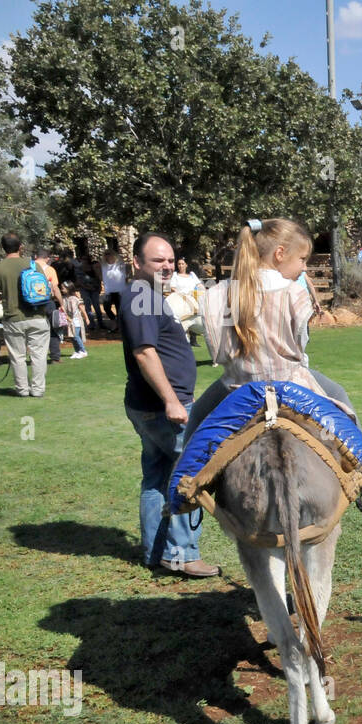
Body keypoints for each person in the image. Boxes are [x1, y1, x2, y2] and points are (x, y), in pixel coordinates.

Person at [185, 218, 357, 444]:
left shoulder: (219, 294)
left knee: (197, 416)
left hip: (238, 386)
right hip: (290, 384)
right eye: (302, 259)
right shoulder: (294, 293)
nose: (304, 267)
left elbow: (217, 350)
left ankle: (179, 478)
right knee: (338, 395)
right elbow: (300, 347)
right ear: (280, 253)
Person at [120, 231, 219, 577]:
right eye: (156, 260)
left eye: (168, 260)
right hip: (165, 409)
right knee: (189, 475)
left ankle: (157, 553)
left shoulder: (145, 294)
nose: (165, 266)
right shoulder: (142, 296)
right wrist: (172, 400)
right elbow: (145, 353)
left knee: (157, 476)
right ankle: (183, 555)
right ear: (136, 263)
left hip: (145, 405)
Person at [0, 233, 50, 397]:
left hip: (13, 318)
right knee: (39, 355)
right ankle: (38, 389)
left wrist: (5, 295)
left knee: (17, 356)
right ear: (21, 246)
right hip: (37, 316)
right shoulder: (33, 264)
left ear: (3, 248)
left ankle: (22, 389)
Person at [34, 248, 65, 364]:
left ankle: (36, 358)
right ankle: (55, 357)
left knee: (35, 331)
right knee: (53, 329)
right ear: (47, 258)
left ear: (36, 256)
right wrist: (61, 304)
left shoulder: (28, 268)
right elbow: (55, 288)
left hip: (32, 303)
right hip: (47, 302)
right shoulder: (50, 269)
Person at [73, 253, 103, 332]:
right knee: (88, 306)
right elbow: (79, 280)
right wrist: (87, 287)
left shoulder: (93, 267)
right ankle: (91, 324)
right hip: (84, 289)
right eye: (83, 259)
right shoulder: (78, 268)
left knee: (97, 306)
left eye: (86, 259)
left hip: (94, 289)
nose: (84, 261)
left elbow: (98, 277)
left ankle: (101, 323)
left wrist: (99, 287)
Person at [100, 250, 128, 332]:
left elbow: (125, 275)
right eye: (106, 254)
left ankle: (118, 326)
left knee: (119, 309)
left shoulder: (120, 264)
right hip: (109, 291)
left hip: (120, 290)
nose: (107, 256)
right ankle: (114, 321)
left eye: (109, 254)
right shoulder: (103, 266)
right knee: (106, 307)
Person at [61, 280, 88, 358]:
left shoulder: (75, 298)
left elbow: (82, 308)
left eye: (63, 288)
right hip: (69, 320)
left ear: (68, 288)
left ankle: (83, 351)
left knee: (76, 335)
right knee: (71, 336)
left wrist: (86, 318)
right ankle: (77, 351)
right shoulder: (64, 298)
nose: (62, 290)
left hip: (76, 320)